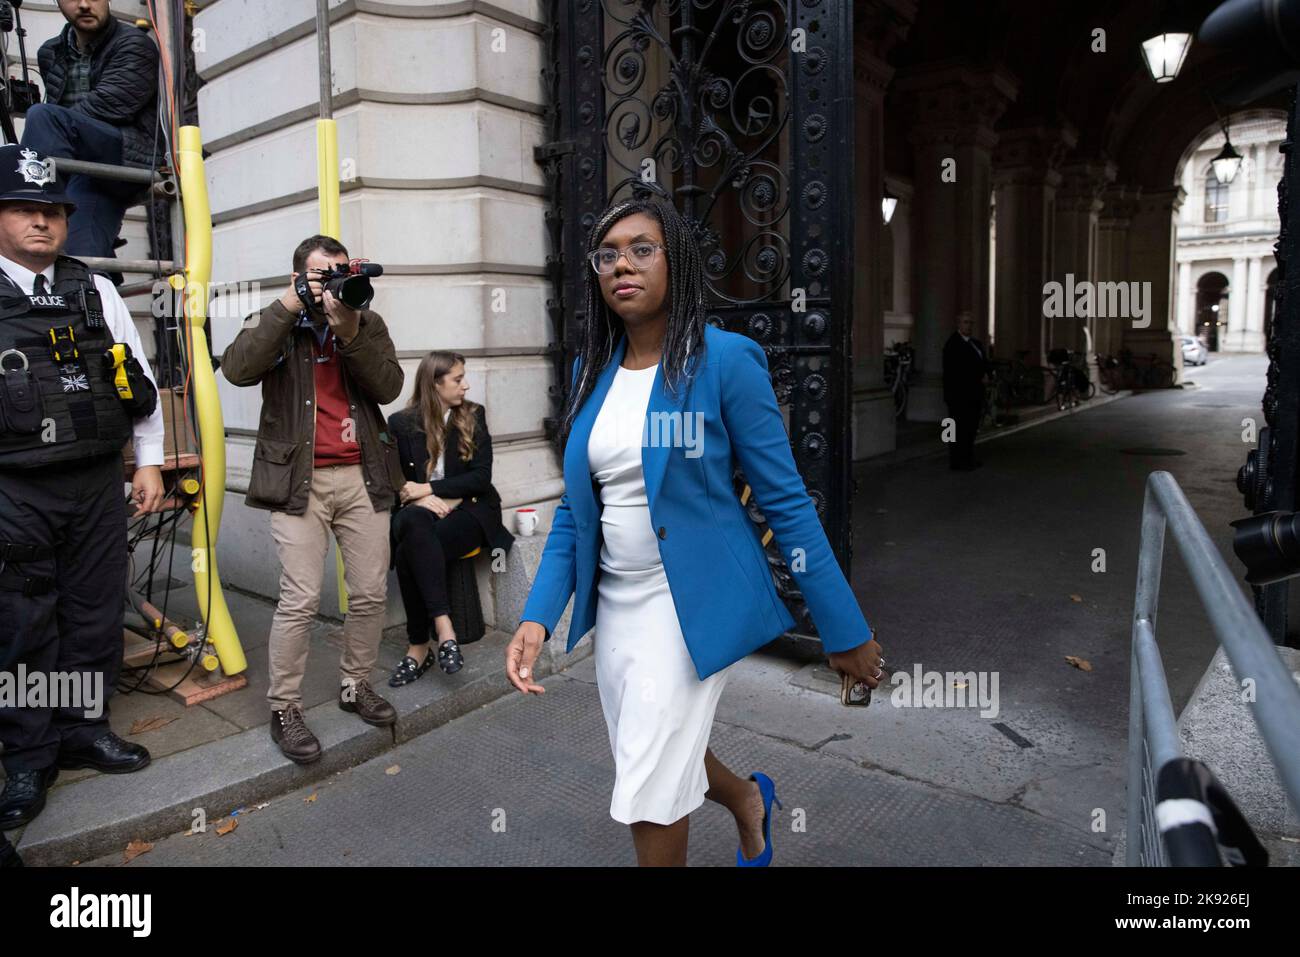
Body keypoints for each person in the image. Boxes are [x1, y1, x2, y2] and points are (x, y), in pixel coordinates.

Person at [506, 195, 885, 867]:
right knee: (652, 746)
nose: (622, 263)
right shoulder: (588, 371)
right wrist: (538, 615)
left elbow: (787, 502)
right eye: (608, 253)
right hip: (618, 604)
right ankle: (746, 799)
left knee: (649, 778)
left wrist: (844, 627)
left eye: (641, 248)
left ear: (675, 261)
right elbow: (574, 510)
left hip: (689, 602)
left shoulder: (725, 361)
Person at [0, 143, 164, 830]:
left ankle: (82, 728)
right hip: (15, 489)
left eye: (54, 212)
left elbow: (139, 383)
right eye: (27, 210)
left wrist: (148, 461)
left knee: (94, 614)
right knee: (24, 624)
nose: (44, 222)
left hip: (97, 480)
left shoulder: (93, 289)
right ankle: (31, 753)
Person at [220, 234, 405, 765]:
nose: (334, 282)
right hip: (297, 480)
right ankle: (285, 708)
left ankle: (355, 684)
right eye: (324, 274)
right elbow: (236, 368)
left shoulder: (364, 322)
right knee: (300, 599)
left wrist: (347, 331)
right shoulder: (276, 320)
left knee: (369, 593)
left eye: (340, 271)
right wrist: (289, 304)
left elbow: (389, 387)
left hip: (362, 475)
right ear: (300, 276)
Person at [385, 351, 515, 686]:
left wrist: (429, 489)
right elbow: (395, 482)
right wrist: (421, 498)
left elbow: (480, 478)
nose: (465, 385)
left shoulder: (473, 415)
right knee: (413, 526)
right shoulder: (400, 424)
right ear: (434, 382)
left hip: (470, 510)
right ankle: (445, 630)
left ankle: (419, 646)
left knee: (407, 552)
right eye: (458, 379)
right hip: (417, 515)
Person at [22, 0, 160, 263]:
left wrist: (56, 127)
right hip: (83, 167)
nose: (84, 4)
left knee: (42, 116)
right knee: (78, 255)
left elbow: (113, 106)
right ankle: (103, 285)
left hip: (125, 155)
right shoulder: (51, 51)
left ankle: (33, 204)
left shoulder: (134, 44)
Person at [942, 311, 988, 471]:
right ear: (958, 324)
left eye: (970, 322)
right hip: (959, 394)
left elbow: (983, 363)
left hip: (974, 393)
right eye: (965, 322)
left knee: (970, 428)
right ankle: (956, 461)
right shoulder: (952, 344)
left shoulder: (976, 343)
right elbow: (954, 370)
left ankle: (968, 458)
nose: (968, 325)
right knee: (956, 428)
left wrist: (986, 375)